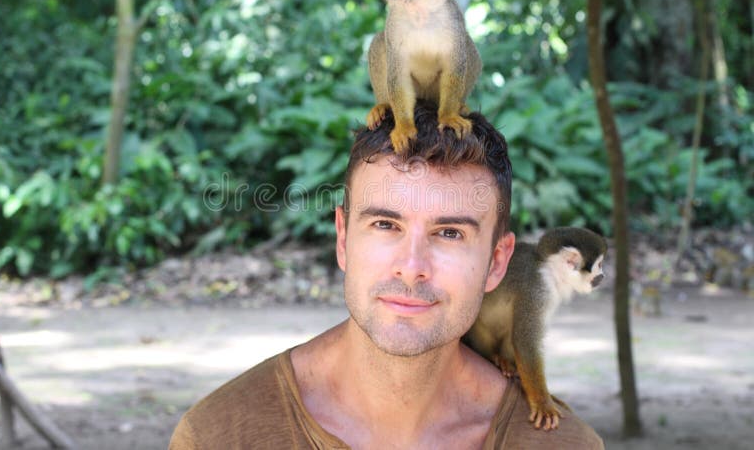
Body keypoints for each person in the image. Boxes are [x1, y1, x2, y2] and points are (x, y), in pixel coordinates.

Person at [169, 101, 604, 449]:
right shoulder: (220, 435)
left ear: (497, 262)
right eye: (385, 225)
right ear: (343, 238)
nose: (412, 266)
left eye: (449, 233)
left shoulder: (564, 445)